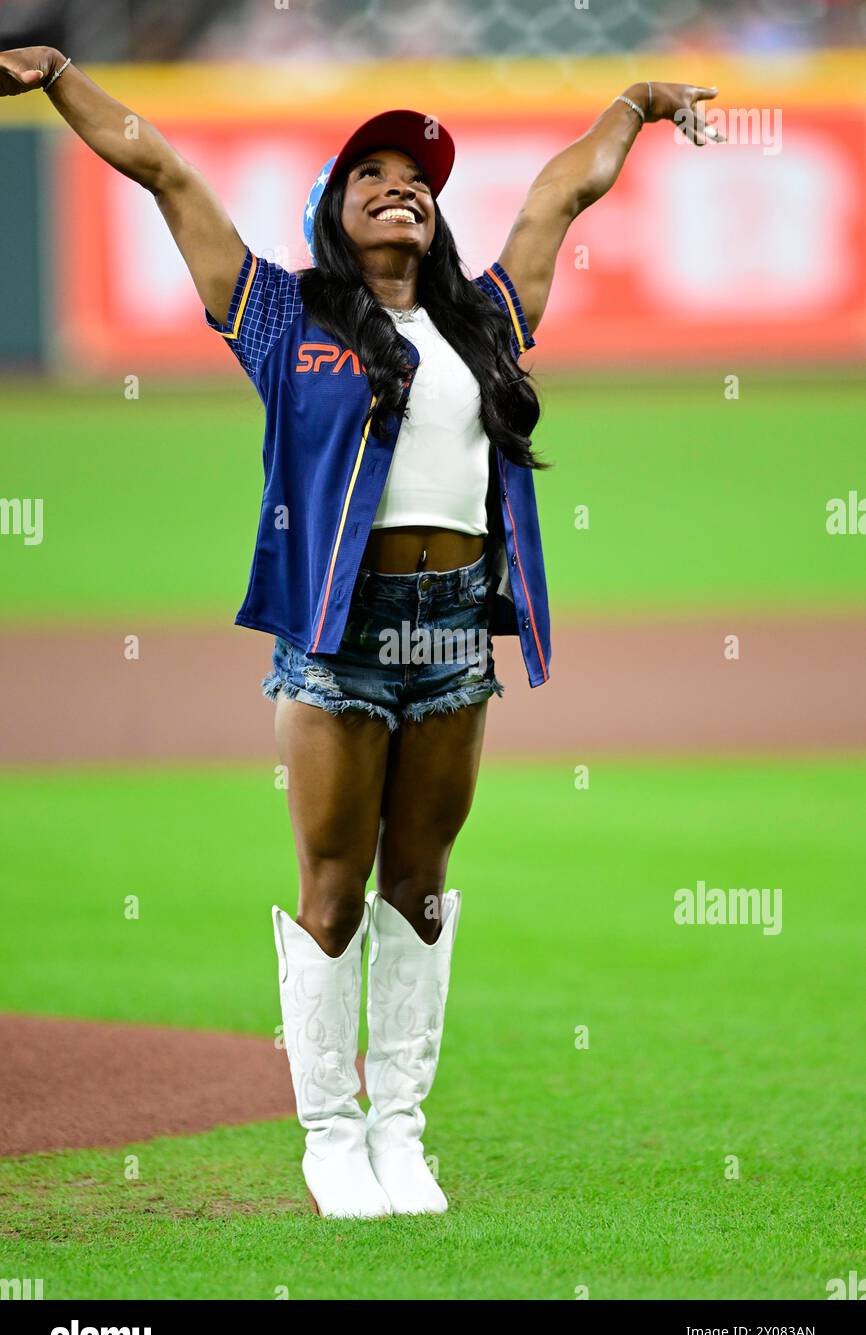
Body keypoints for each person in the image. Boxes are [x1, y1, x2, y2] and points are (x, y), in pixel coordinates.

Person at [0, 48, 720, 1217]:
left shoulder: (482, 318)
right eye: (372, 173)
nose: (404, 187)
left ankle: (402, 1133)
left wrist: (635, 104)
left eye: (419, 177)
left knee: (422, 885)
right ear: (334, 211)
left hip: (450, 638)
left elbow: (559, 195)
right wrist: (60, 77)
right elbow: (164, 172)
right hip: (336, 639)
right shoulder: (280, 314)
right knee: (333, 889)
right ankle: (329, 1139)